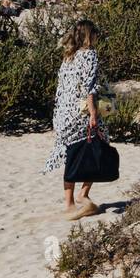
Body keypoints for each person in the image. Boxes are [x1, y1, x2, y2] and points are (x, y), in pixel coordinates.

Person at [43, 19, 107, 220]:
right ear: (90, 35)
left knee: (71, 154)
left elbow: (62, 88)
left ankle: (69, 204)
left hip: (62, 114)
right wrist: (94, 114)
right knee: (99, 148)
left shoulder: (68, 57)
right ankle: (83, 194)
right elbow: (89, 88)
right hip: (80, 113)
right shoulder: (90, 55)